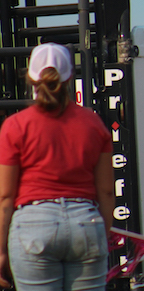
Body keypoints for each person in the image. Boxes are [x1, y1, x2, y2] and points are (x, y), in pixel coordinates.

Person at [0, 43, 114, 291]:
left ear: (30, 78)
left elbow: (5, 196)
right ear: (69, 78)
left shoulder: (15, 126)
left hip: (33, 226)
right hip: (86, 222)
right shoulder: (93, 123)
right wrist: (101, 236)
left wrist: (1, 252)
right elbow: (106, 192)